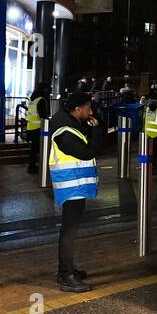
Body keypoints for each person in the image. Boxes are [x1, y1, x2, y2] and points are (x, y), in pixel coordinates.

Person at [48, 92, 100, 293]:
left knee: (70, 230)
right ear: (77, 109)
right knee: (69, 231)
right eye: (88, 108)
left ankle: (68, 270)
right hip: (71, 185)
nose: (91, 112)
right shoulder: (65, 132)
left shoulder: (69, 125)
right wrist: (97, 132)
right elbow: (86, 152)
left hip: (75, 184)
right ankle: (65, 275)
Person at [25, 82, 51, 173]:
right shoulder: (41, 100)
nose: (49, 91)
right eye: (47, 89)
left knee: (34, 149)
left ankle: (32, 166)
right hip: (38, 128)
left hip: (31, 127)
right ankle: (36, 167)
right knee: (39, 148)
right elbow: (43, 116)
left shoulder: (33, 99)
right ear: (44, 89)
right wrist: (48, 122)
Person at [143, 92, 157, 172]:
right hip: (156, 134)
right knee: (155, 152)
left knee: (146, 151)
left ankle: (145, 166)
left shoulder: (147, 108)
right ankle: (153, 167)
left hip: (147, 132)